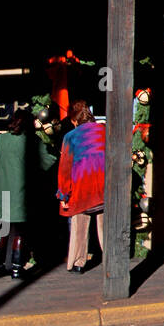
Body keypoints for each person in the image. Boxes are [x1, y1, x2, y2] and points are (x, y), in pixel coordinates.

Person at [0, 109, 57, 278]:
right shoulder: (32, 141)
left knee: (1, 231)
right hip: (22, 194)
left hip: (1, 193)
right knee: (21, 232)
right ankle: (16, 267)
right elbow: (49, 161)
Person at [56, 100, 105, 273]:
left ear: (75, 120)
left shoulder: (70, 137)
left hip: (82, 189)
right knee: (104, 225)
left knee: (79, 225)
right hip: (105, 189)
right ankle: (111, 258)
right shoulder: (105, 131)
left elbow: (65, 168)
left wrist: (63, 195)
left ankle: (77, 262)